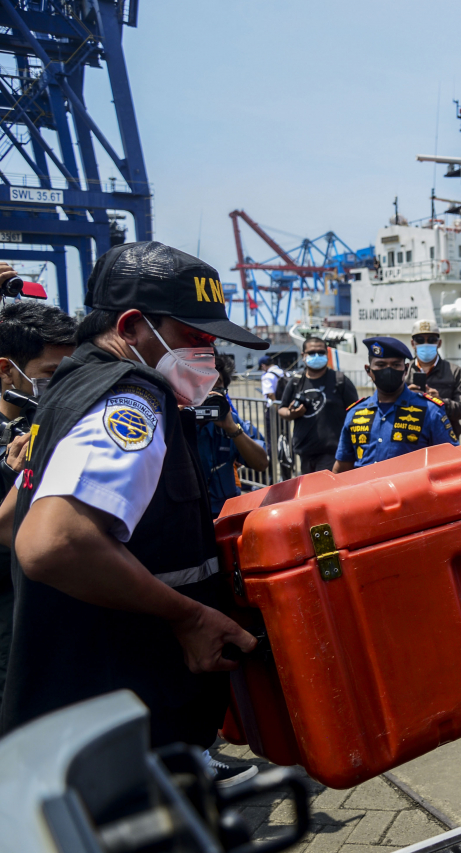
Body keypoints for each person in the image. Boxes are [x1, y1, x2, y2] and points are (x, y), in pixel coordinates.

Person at [0, 241, 266, 786]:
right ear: (132, 326)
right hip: (124, 729)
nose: (207, 352)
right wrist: (187, 616)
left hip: (78, 720)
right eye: (194, 337)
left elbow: (10, 522)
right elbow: (52, 542)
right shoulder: (130, 399)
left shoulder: (69, 388)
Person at [0, 297, 76, 699]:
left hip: (58, 604)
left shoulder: (60, 423)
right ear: (6, 371)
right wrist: (12, 474)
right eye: (51, 374)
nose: (63, 385)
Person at [334, 337, 458, 472]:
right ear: (368, 370)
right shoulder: (355, 413)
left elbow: (452, 461)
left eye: (395, 365)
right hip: (366, 491)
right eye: (380, 365)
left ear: (405, 369)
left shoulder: (430, 411)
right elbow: (343, 468)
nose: (388, 370)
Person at [198, 355, 268, 515]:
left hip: (225, 514)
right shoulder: (178, 420)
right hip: (191, 517)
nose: (212, 391)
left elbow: (261, 463)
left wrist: (232, 429)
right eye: (206, 383)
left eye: (217, 385)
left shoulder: (232, 421)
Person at [276, 336, 358, 474]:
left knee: (325, 491)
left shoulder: (340, 381)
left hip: (333, 452)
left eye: (321, 352)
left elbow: (356, 411)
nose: (317, 356)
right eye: (312, 353)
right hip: (305, 452)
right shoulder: (296, 382)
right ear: (303, 356)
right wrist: (292, 413)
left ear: (327, 354)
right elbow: (281, 409)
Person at [407, 319, 461, 442]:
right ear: (413, 343)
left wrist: (441, 402)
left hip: (445, 440)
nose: (426, 344)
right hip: (411, 441)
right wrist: (405, 396)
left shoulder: (456, 372)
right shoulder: (404, 372)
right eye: (420, 340)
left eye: (431, 340)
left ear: (439, 343)